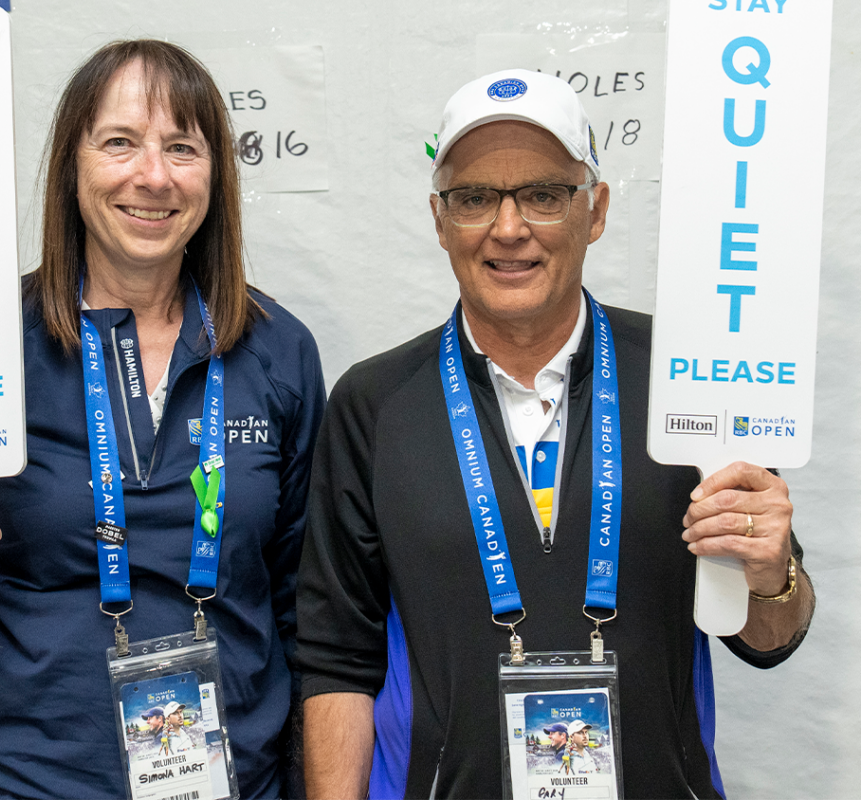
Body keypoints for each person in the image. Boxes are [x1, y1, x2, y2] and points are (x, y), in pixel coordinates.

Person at [295, 69, 813, 800]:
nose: (509, 229)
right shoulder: (374, 404)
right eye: (475, 199)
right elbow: (336, 659)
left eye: (543, 194)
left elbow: (769, 635)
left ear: (594, 210)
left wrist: (771, 576)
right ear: (440, 221)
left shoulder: (692, 383)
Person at [0, 39, 326, 799]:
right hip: (4, 779)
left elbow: (306, 606)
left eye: (182, 147)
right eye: (119, 143)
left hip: (229, 779)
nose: (153, 175)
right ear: (72, 168)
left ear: (215, 175)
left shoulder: (278, 349)